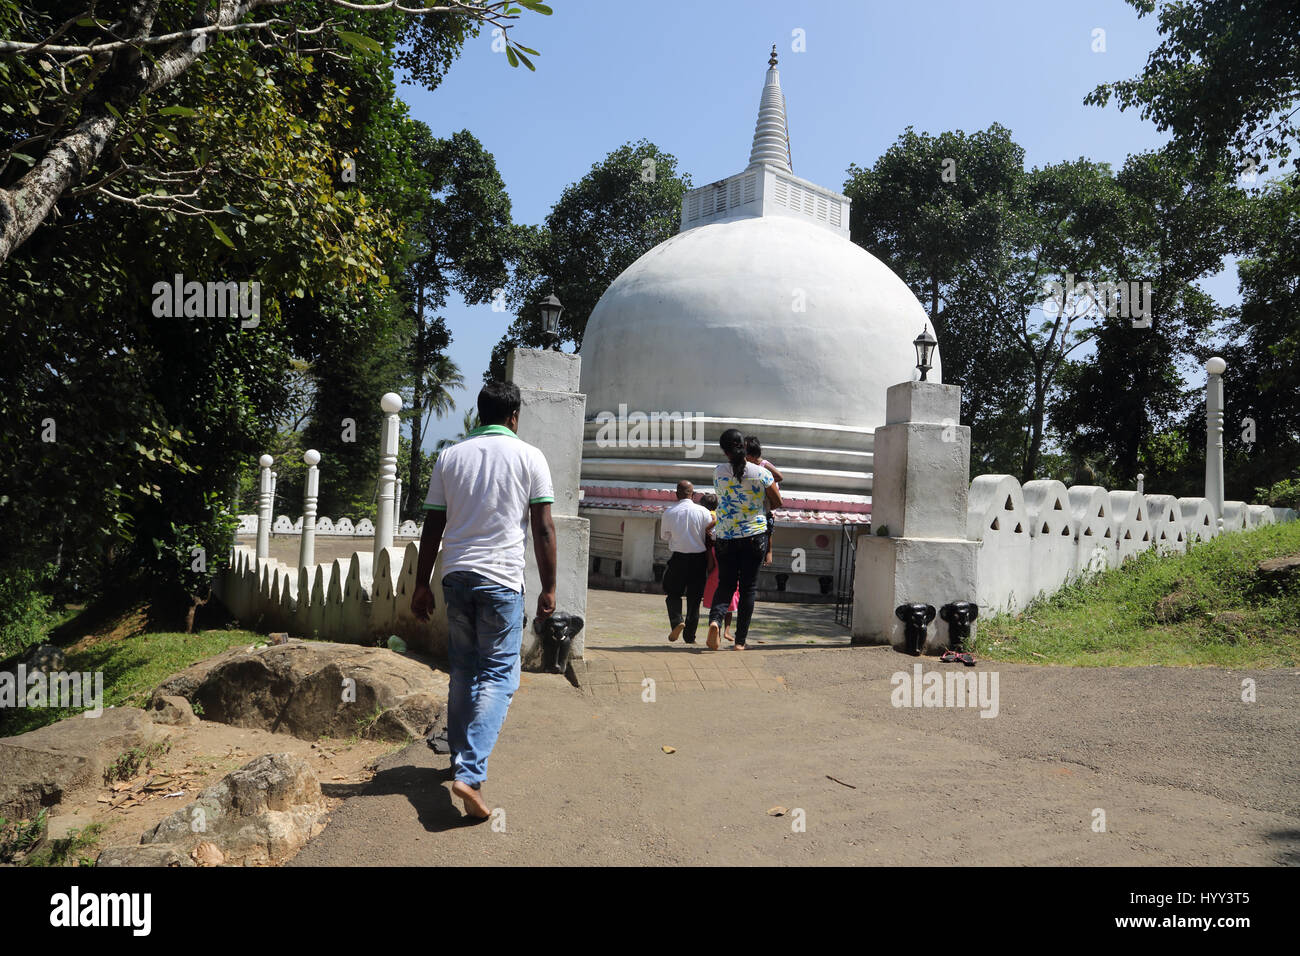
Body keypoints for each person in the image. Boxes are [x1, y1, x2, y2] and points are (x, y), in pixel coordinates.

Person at [411, 381, 557, 821]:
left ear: (479, 414)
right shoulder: (530, 456)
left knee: (463, 670)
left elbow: (432, 525)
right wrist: (550, 587)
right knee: (499, 675)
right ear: (515, 417)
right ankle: (470, 774)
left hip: (456, 577)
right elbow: (544, 528)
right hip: (501, 581)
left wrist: (421, 584)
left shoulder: (450, 456)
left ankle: (461, 758)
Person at [708, 428, 782, 650]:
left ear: (724, 450)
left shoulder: (718, 472)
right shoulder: (761, 473)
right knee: (748, 588)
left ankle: (715, 621)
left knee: (726, 584)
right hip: (754, 536)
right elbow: (777, 502)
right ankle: (740, 642)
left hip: (725, 536)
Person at [659, 479, 713, 644]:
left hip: (679, 558)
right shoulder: (703, 511)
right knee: (694, 600)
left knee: (673, 594)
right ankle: (690, 637)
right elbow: (711, 534)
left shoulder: (669, 512)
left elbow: (664, 536)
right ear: (693, 494)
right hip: (699, 559)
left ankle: (677, 621)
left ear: (677, 494)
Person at [745, 436, 784, 566]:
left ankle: (769, 552)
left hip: (767, 495)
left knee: (768, 526)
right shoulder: (747, 466)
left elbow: (779, 476)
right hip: (756, 498)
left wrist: (766, 481)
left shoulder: (763, 464)